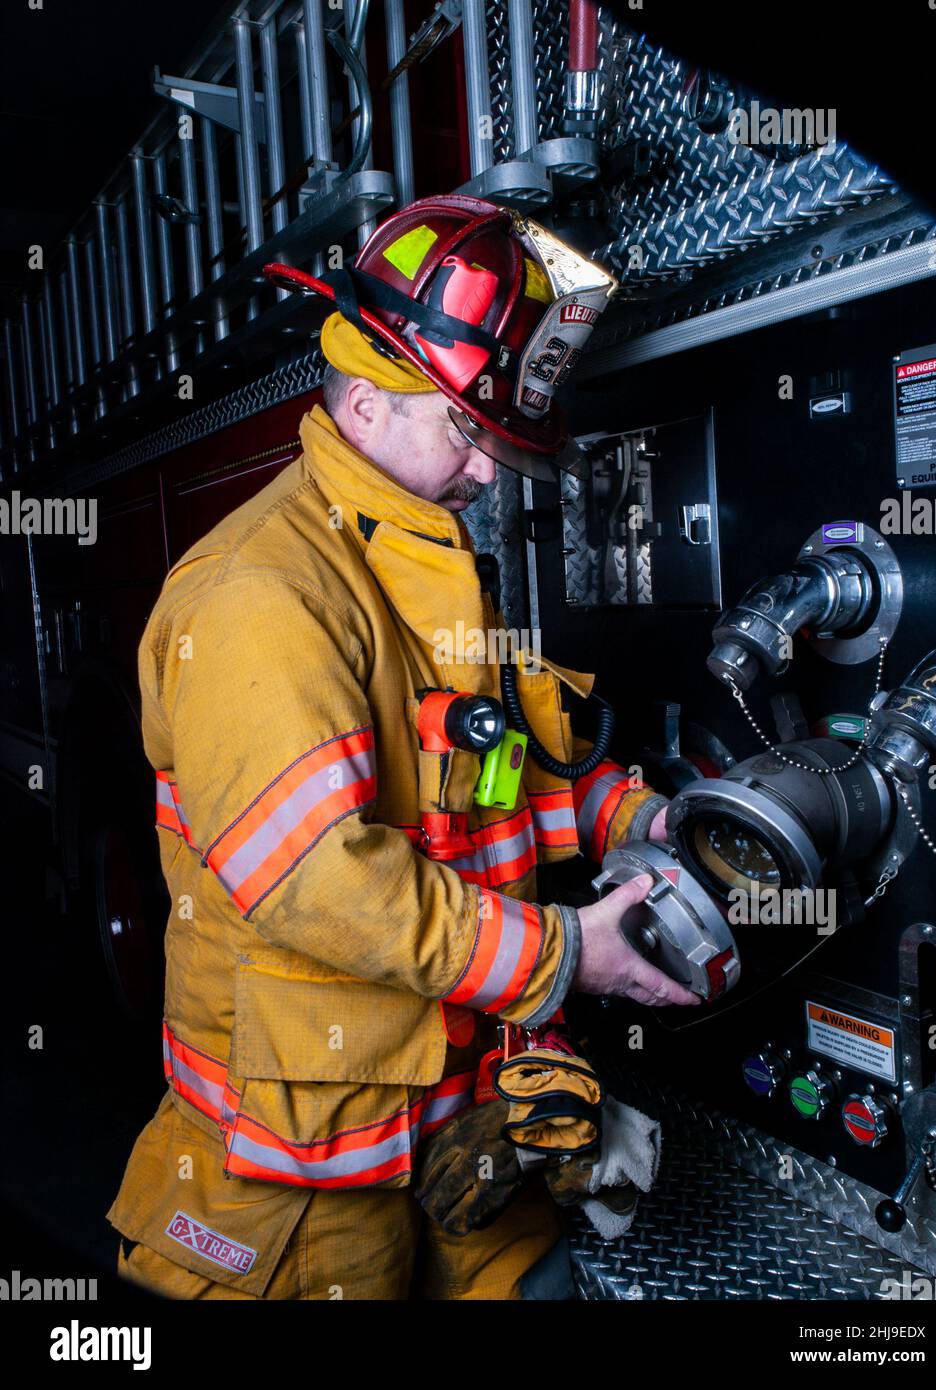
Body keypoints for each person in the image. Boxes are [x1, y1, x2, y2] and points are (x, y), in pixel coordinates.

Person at [107, 195, 698, 1301]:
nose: (486, 475)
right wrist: (563, 953)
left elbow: (491, 790)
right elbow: (318, 881)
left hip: (461, 1134)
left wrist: (648, 820)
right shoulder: (262, 596)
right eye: (467, 435)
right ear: (368, 404)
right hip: (299, 1182)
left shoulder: (419, 577)